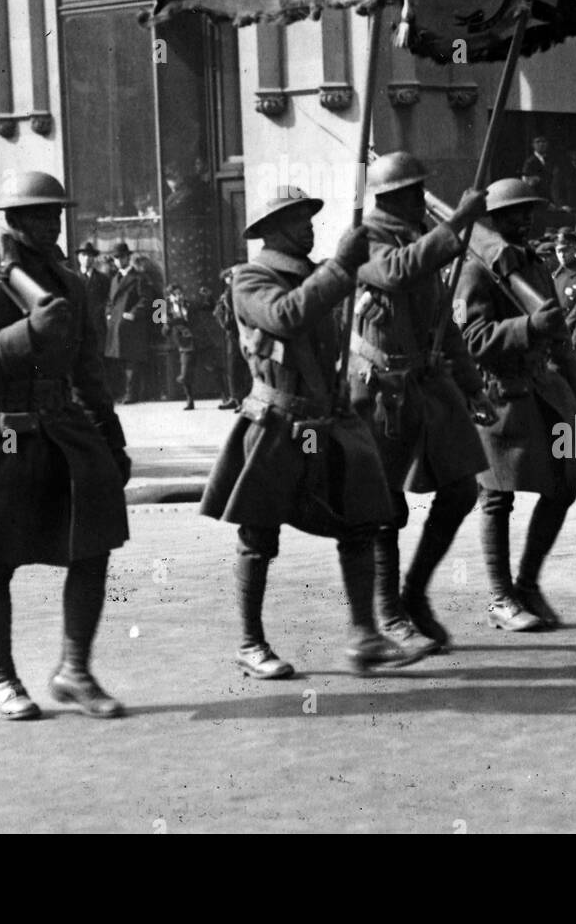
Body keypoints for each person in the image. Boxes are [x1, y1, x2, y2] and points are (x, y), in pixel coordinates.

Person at [0, 172, 131, 721]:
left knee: (92, 547)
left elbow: (89, 371)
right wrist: (30, 333)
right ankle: (1, 679)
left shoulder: (70, 282)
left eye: (57, 214)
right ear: (12, 222)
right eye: (39, 215)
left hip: (63, 428)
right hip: (3, 431)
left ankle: (74, 671)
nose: (52, 224)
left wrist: (111, 440)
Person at [200, 186, 422, 678]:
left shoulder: (319, 273)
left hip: (324, 421)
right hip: (276, 422)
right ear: (268, 230)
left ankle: (364, 634)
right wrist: (341, 269)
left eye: (308, 217)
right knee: (258, 534)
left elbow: (330, 318)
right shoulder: (250, 278)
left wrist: (362, 307)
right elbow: (287, 316)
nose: (308, 226)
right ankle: (250, 643)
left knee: (360, 522)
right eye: (296, 219)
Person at [350, 153, 491, 655]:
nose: (421, 201)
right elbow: (397, 274)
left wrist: (473, 387)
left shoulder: (418, 241)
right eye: (414, 193)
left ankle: (414, 592)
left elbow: (442, 323)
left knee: (460, 490)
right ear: (391, 198)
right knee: (384, 507)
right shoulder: (364, 239)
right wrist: (458, 223)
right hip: (381, 388)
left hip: (427, 383)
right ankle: (389, 613)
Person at [454, 178, 576, 632]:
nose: (527, 219)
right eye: (516, 212)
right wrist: (527, 326)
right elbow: (472, 340)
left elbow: (560, 335)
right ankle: (499, 597)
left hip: (546, 391)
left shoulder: (531, 262)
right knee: (496, 496)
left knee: (565, 484)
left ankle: (527, 584)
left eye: (529, 210)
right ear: (493, 219)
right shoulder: (476, 269)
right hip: (499, 394)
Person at [104, 242, 148, 403]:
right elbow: (109, 300)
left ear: (128, 258)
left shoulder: (138, 277)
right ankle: (123, 392)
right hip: (116, 325)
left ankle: (132, 394)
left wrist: (133, 314)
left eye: (121, 257)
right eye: (116, 258)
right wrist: (108, 314)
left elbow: (146, 299)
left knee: (131, 361)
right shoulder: (114, 279)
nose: (118, 261)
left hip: (131, 326)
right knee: (119, 361)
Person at [214, 267, 248, 410]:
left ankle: (242, 399)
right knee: (233, 367)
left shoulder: (239, 289)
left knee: (240, 366)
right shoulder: (229, 290)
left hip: (240, 331)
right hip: (231, 333)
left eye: (229, 276)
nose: (228, 280)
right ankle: (235, 397)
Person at [75, 242, 109, 345]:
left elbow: (108, 300)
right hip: (79, 328)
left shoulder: (103, 279)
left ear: (94, 258)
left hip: (98, 327)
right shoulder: (73, 278)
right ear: (78, 257)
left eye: (90, 255)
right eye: (84, 255)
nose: (87, 258)